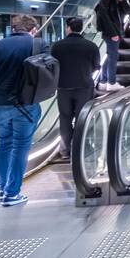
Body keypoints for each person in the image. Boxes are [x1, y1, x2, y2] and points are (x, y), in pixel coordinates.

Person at [0, 14, 41, 207]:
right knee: (21, 147)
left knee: (3, 144)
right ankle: (11, 193)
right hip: (26, 104)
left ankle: (0, 188)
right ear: (32, 29)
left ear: (13, 28)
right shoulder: (37, 44)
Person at [51, 16, 100, 160]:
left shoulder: (57, 46)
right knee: (83, 118)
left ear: (68, 28)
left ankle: (66, 150)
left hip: (63, 87)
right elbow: (96, 66)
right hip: (84, 86)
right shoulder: (90, 46)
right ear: (81, 28)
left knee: (65, 118)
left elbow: (53, 66)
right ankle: (81, 148)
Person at [94, 0, 129, 91]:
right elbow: (105, 18)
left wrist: (122, 0)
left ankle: (104, 81)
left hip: (116, 32)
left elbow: (128, 11)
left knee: (110, 56)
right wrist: (113, 33)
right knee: (113, 57)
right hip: (111, 33)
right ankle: (111, 82)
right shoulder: (106, 0)